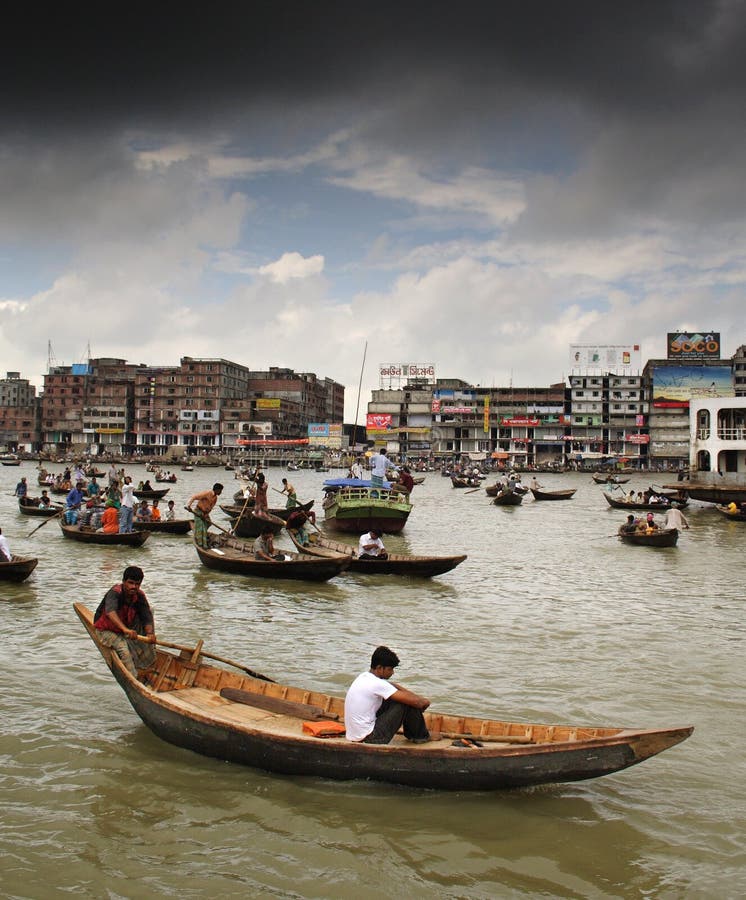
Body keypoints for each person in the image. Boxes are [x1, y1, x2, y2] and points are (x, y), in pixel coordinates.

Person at [344, 645, 431, 744]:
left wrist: (419, 700)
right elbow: (416, 702)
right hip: (371, 738)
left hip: (354, 736)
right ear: (379, 668)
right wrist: (423, 702)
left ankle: (417, 734)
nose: (392, 673)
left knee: (401, 699)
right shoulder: (378, 684)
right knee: (406, 703)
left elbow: (393, 687)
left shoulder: (364, 677)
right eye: (390, 669)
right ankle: (420, 736)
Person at [93, 566, 156, 679]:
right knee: (124, 650)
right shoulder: (115, 593)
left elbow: (146, 614)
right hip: (106, 630)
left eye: (137, 584)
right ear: (124, 582)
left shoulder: (139, 595)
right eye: (130, 583)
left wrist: (150, 633)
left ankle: (146, 658)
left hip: (125, 627)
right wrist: (125, 630)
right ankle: (134, 678)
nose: (133, 587)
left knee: (150, 611)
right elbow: (110, 612)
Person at [186, 483, 224, 547]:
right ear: (217, 490)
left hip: (204, 513)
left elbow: (210, 508)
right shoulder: (207, 493)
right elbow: (194, 497)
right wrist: (189, 506)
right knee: (201, 527)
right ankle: (200, 542)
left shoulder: (215, 498)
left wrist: (205, 515)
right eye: (220, 490)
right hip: (198, 511)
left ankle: (201, 533)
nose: (221, 492)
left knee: (209, 523)